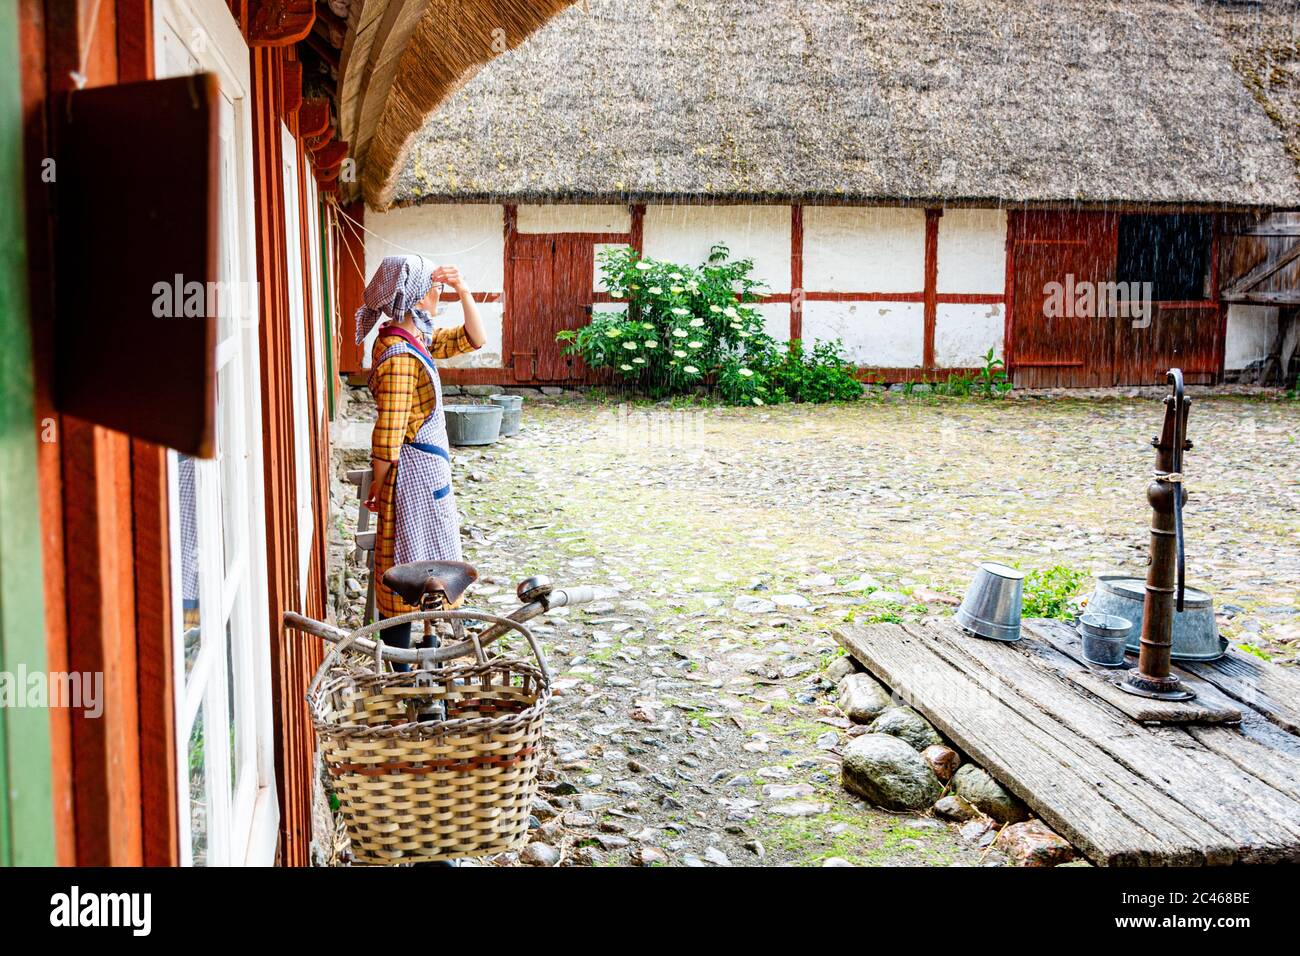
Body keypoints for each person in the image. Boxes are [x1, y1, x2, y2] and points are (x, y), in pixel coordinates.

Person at [356, 254, 485, 665]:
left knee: (424, 564)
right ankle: (400, 663)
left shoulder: (416, 337)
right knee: (404, 568)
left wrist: (464, 291)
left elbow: (474, 339)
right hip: (409, 477)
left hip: (426, 474)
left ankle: (424, 652)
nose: (437, 293)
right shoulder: (398, 356)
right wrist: (379, 484)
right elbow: (388, 433)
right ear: (411, 297)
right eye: (432, 287)